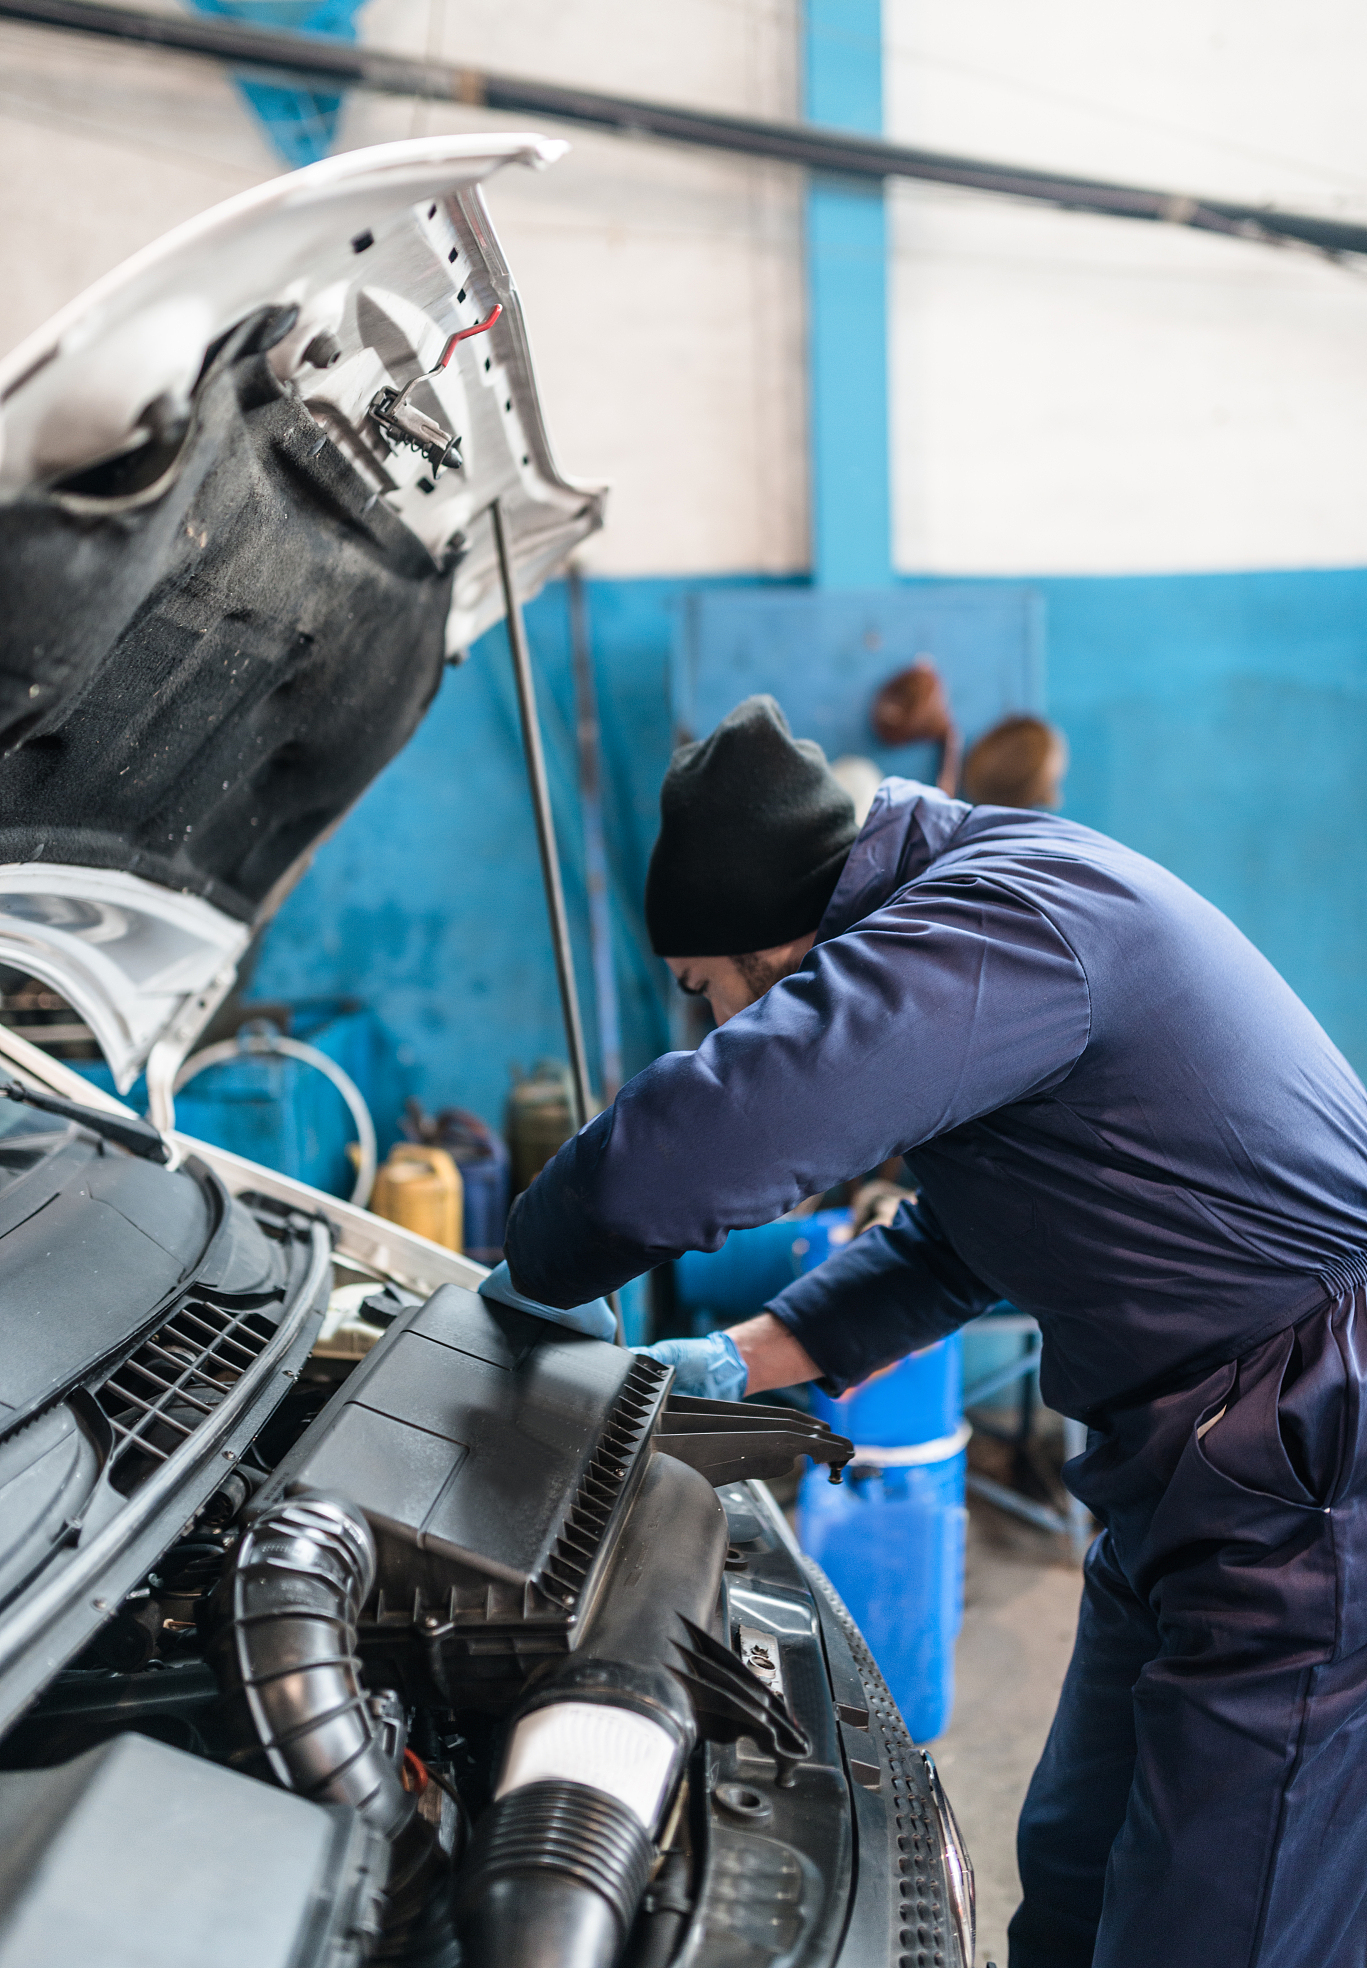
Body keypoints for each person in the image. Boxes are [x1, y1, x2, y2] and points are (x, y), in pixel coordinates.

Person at [483, 693, 1367, 1968]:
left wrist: (530, 1266)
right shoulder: (966, 916)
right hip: (1191, 1467)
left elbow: (699, 1143)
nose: (716, 1019)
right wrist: (733, 1361)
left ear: (769, 943)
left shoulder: (1008, 916)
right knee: (1072, 1872)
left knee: (1219, 1918)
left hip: (1311, 1454)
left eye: (705, 987)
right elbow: (962, 1239)